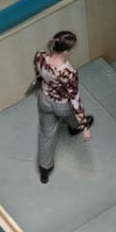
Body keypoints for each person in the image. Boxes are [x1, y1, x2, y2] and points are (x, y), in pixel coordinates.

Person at [32, 29, 93, 185]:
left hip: (44, 100)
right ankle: (76, 127)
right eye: (72, 48)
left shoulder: (40, 56)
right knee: (70, 113)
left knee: (46, 134)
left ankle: (44, 170)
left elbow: (38, 75)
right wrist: (85, 127)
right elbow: (75, 100)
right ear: (66, 51)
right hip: (61, 104)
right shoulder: (69, 73)